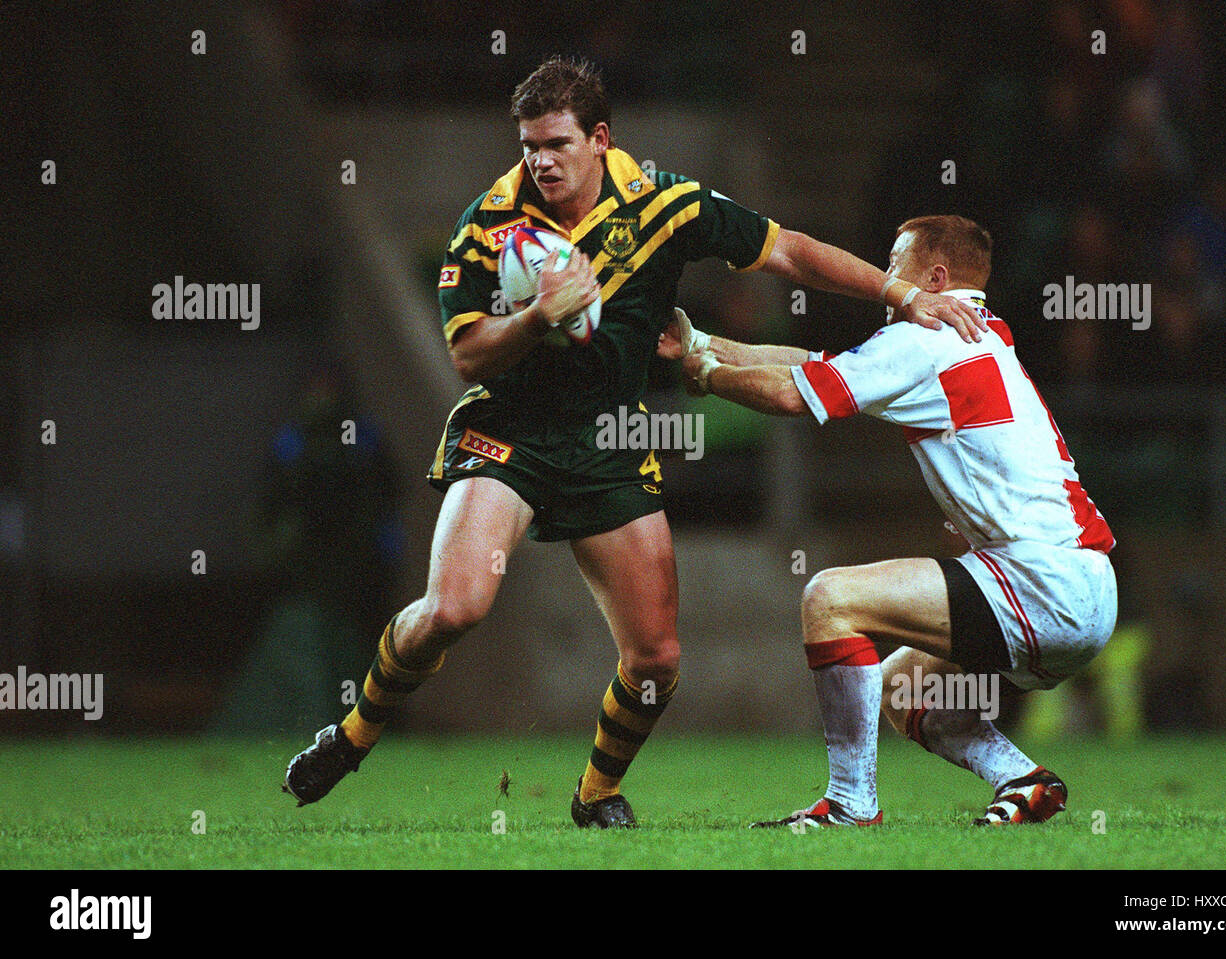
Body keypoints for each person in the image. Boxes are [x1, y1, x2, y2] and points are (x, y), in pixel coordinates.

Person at [282, 58, 985, 828]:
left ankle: (595, 795)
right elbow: (467, 354)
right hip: (508, 431)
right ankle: (352, 736)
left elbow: (785, 250)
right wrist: (536, 318)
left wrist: (899, 292)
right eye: (528, 146)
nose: (539, 161)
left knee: (656, 662)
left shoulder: (664, 203)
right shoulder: (488, 222)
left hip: (607, 439)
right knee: (455, 607)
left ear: (600, 138)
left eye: (555, 143)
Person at [668, 214, 1116, 827]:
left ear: (934, 276)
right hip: (1080, 586)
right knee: (904, 685)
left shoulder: (921, 341)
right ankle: (1022, 780)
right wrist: (699, 345)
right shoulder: (981, 334)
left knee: (830, 599)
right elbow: (815, 363)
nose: (884, 278)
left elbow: (792, 395)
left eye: (894, 261)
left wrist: (710, 378)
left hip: (1041, 584)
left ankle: (851, 805)